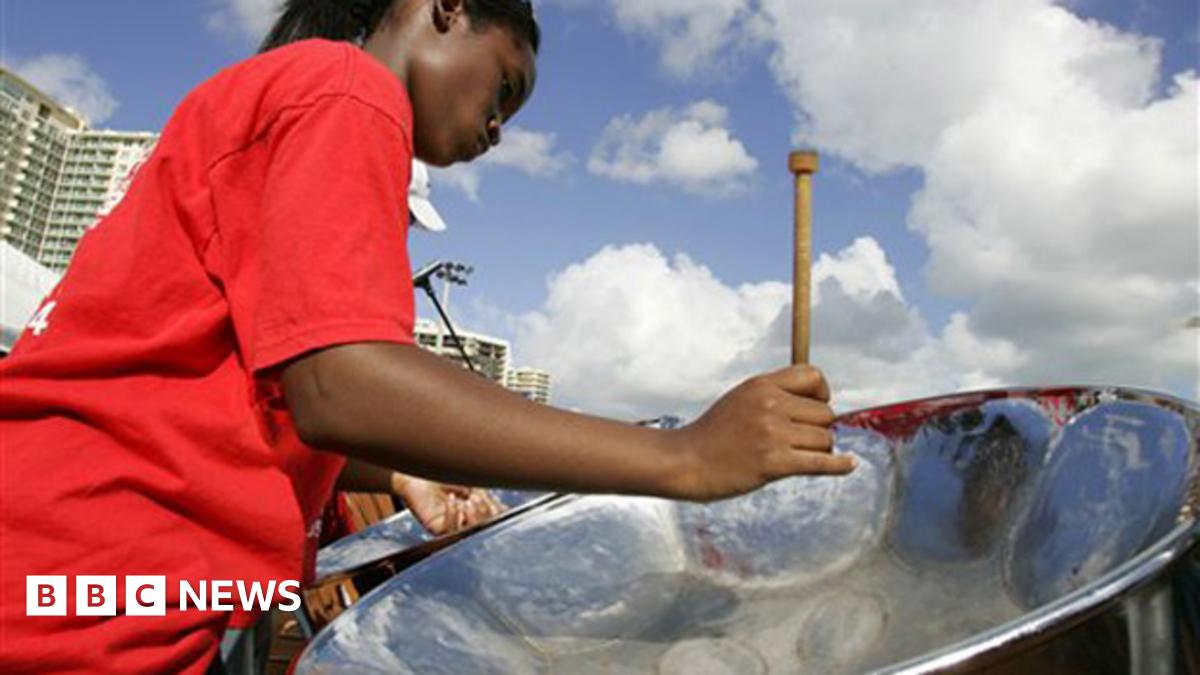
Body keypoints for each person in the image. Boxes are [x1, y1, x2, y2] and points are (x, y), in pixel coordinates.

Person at [0, 0, 855, 672]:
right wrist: (683, 458)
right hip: (71, 602)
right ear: (446, 7)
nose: (499, 128)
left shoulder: (289, 95)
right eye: (505, 89)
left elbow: (239, 401)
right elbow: (340, 385)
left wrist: (401, 467)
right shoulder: (347, 88)